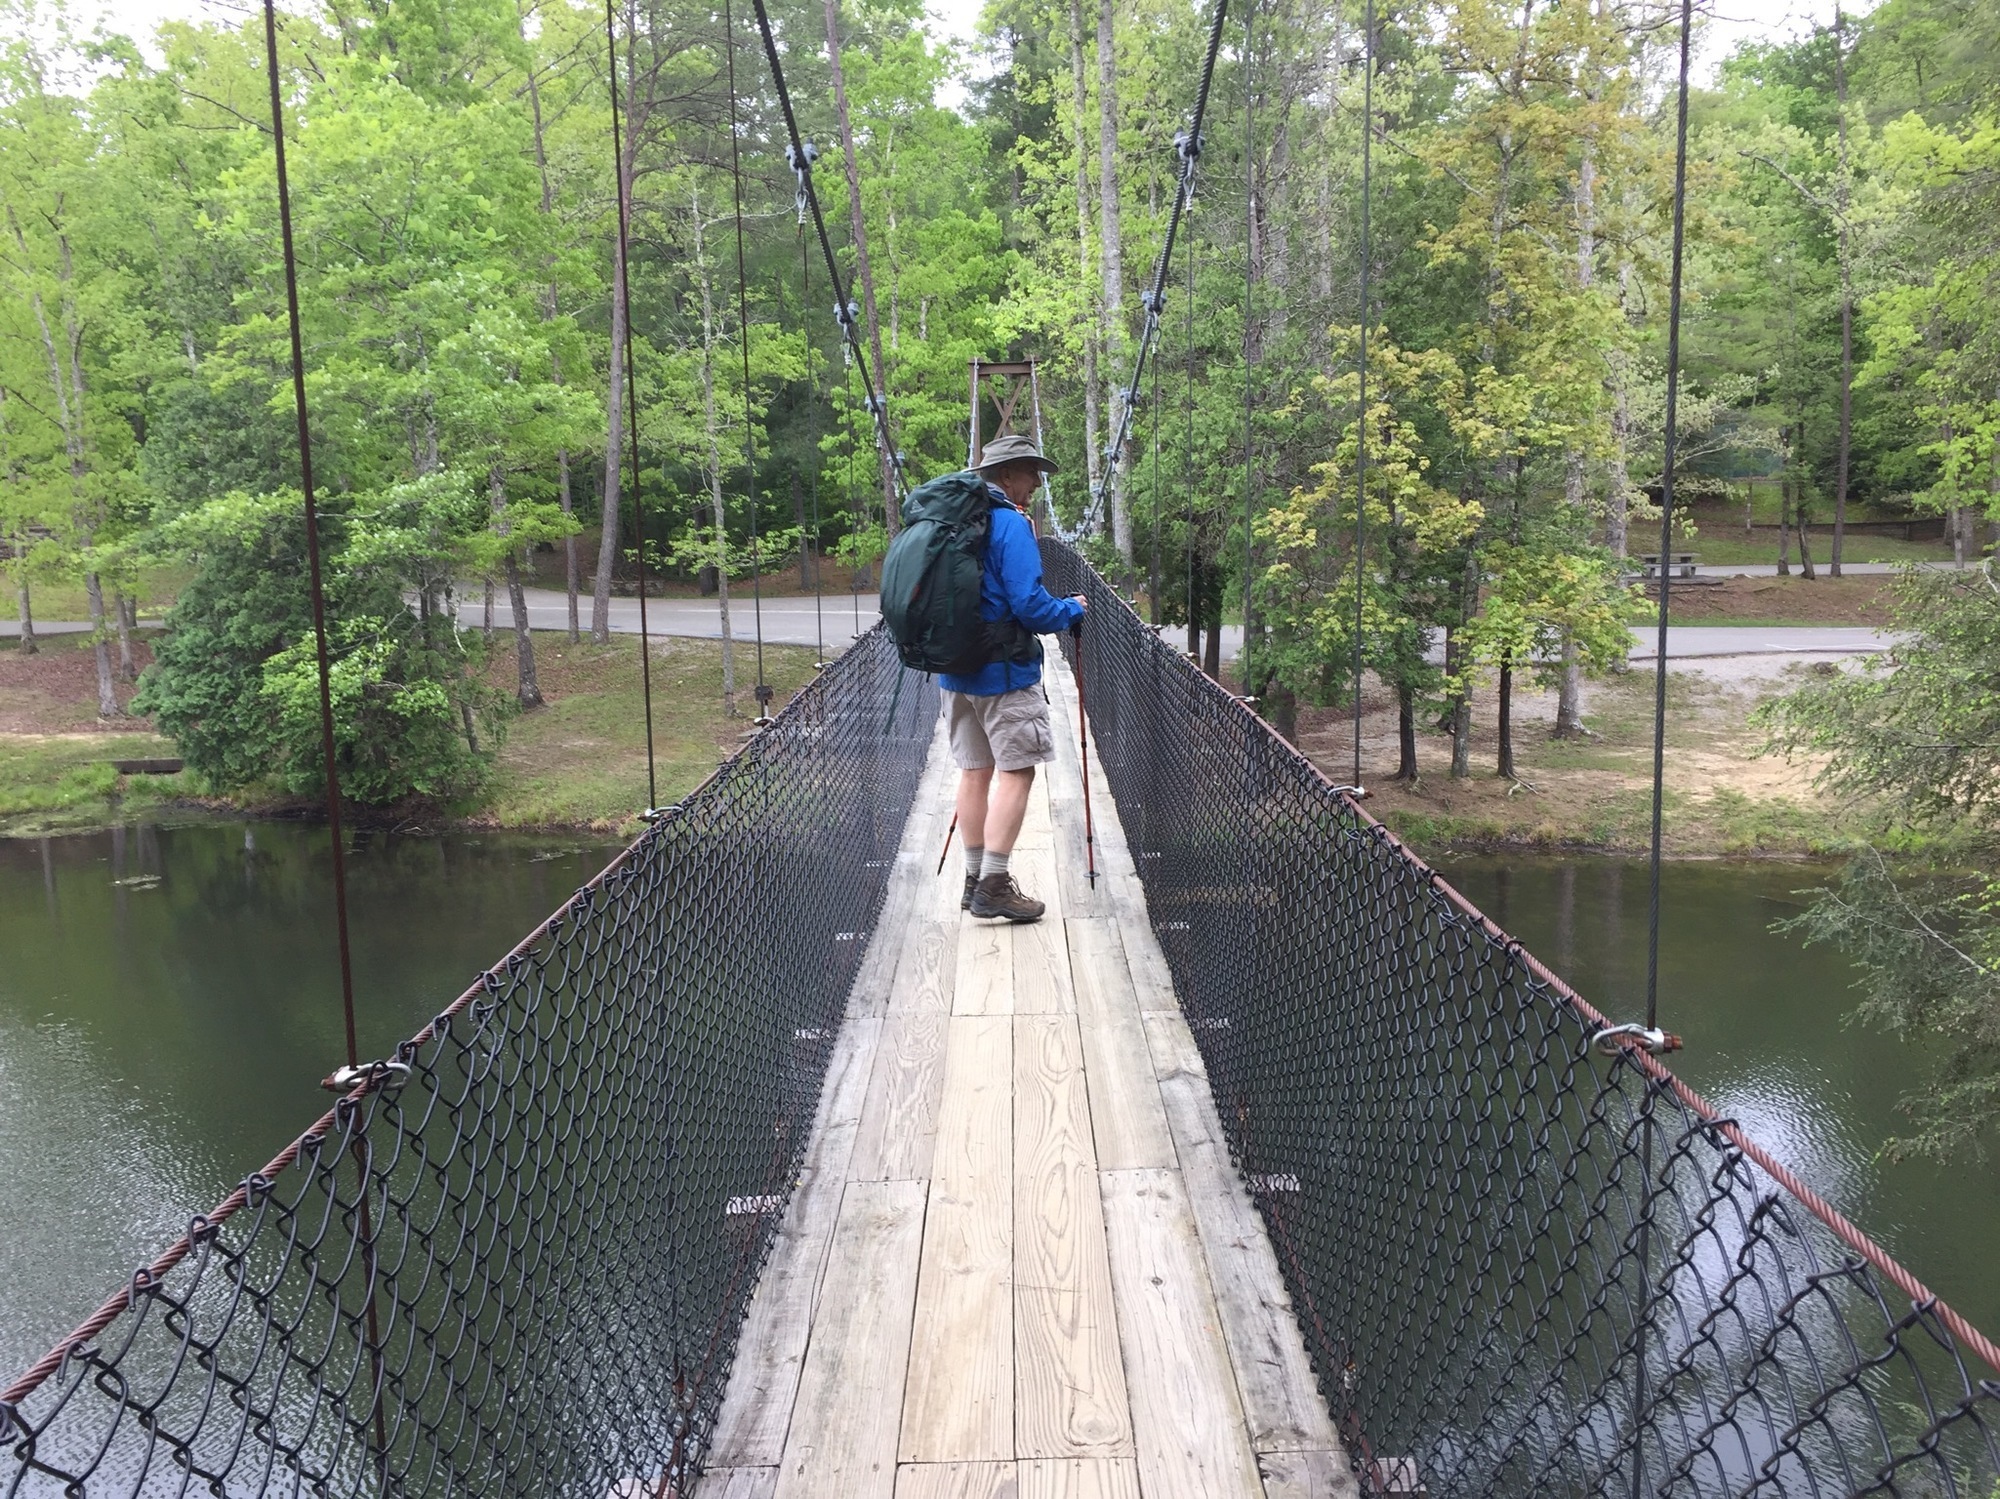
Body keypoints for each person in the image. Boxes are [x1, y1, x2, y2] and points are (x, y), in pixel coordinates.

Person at [944, 433, 1086, 923]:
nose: (1037, 482)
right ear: (1007, 475)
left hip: (954, 672)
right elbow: (1030, 606)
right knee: (1017, 772)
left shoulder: (955, 521)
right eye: (1032, 472)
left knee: (974, 771)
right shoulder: (1009, 524)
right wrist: (1069, 609)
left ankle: (972, 878)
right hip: (1003, 672)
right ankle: (995, 886)